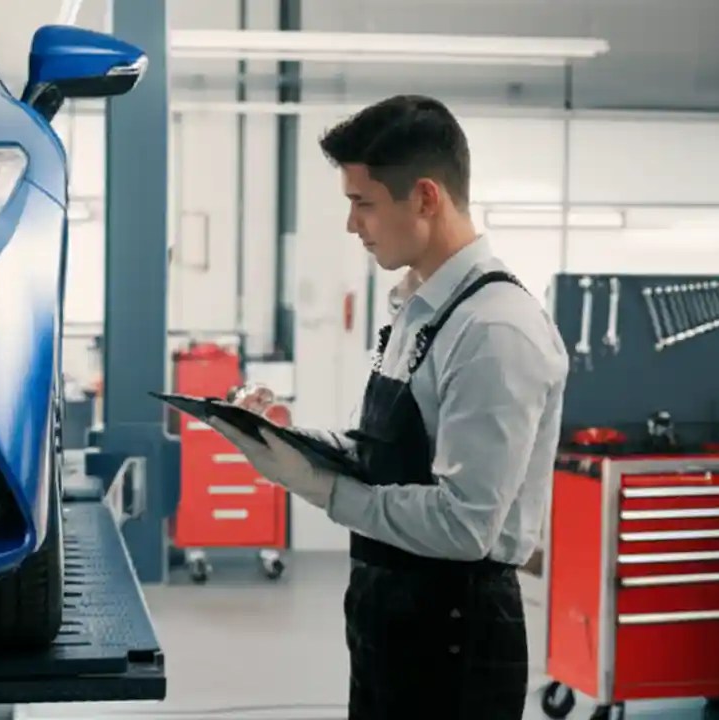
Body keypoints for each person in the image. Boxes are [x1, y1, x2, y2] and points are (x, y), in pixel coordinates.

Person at [208, 94, 569, 720]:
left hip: (457, 636)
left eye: (363, 203)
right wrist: (293, 443)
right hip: (389, 614)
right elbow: (391, 455)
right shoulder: (416, 309)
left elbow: (465, 526)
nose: (354, 226)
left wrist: (325, 490)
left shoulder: (494, 331)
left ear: (425, 197)